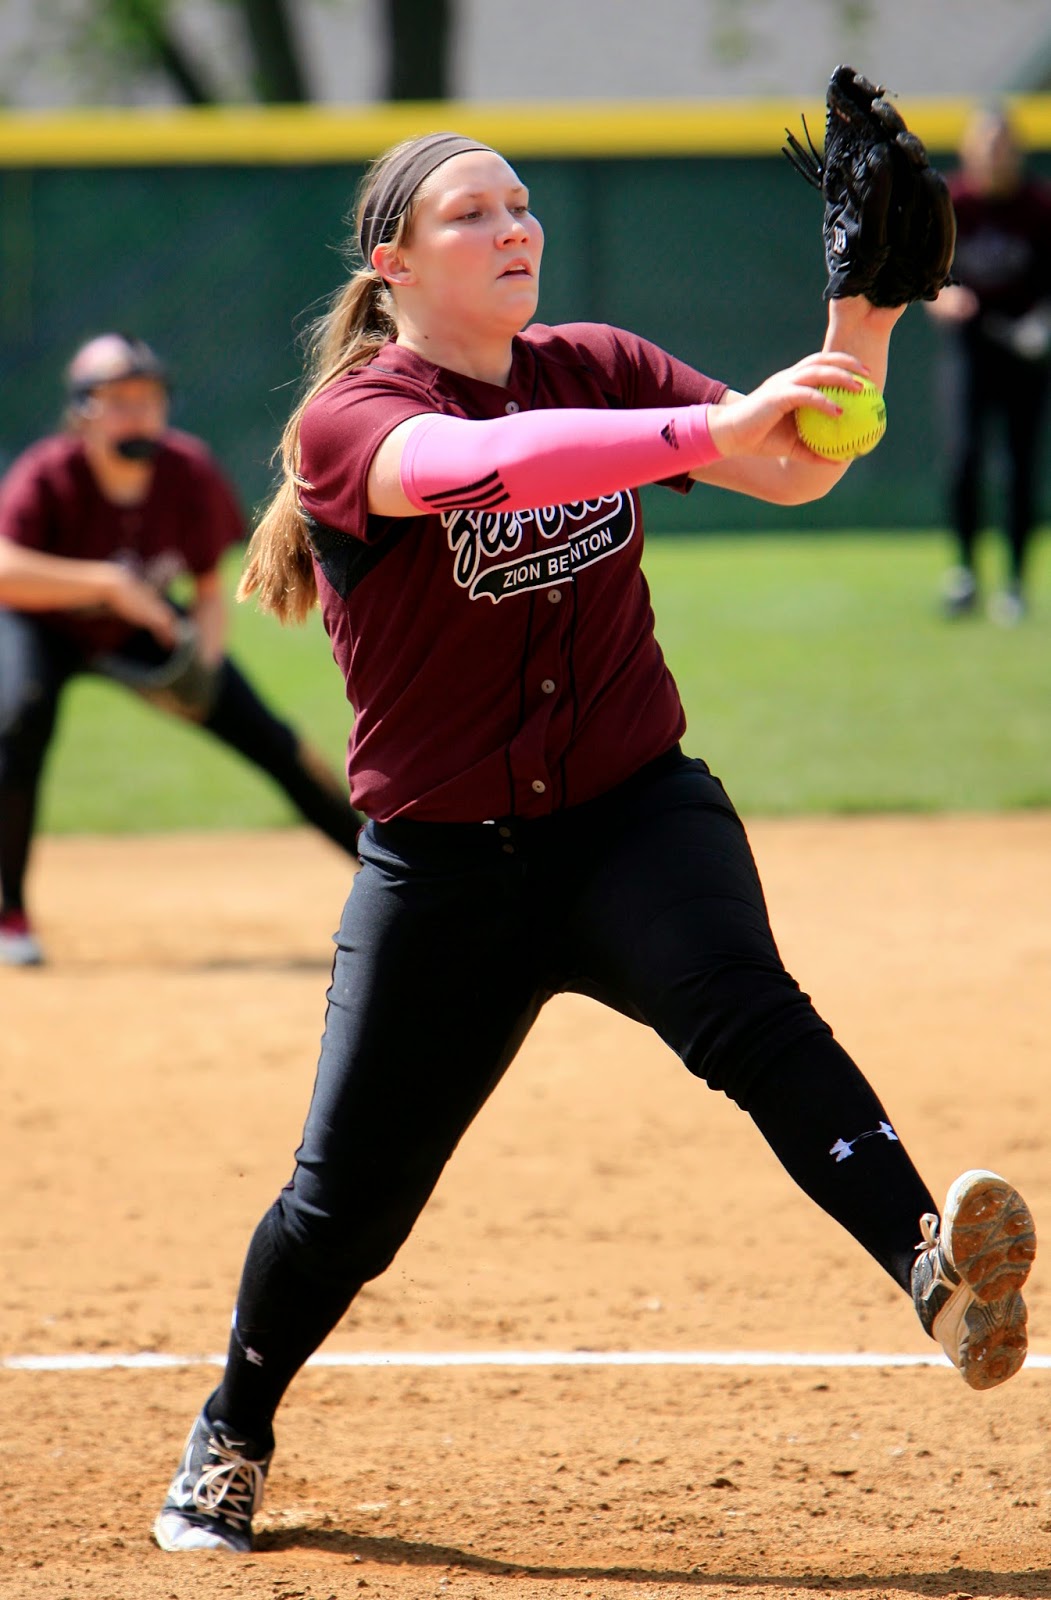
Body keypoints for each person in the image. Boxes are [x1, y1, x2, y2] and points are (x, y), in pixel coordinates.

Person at [152, 134, 1037, 1555]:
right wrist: (707, 428)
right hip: (442, 869)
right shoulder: (353, 421)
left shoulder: (597, 360)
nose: (514, 227)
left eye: (520, 204)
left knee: (751, 1015)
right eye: (470, 213)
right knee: (346, 1203)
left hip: (631, 811)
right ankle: (232, 1427)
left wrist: (858, 321)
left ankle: (928, 1266)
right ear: (390, 264)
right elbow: (490, 468)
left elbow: (795, 470)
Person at [0, 333, 363, 967]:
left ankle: (390, 877)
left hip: (142, 622)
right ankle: (10, 915)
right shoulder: (50, 474)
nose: (138, 413)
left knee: (269, 738)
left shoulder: (186, 469)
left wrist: (207, 661)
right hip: (40, 622)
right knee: (17, 723)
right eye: (118, 400)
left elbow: (206, 584)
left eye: (148, 398)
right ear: (81, 410)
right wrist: (107, 584)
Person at [925, 106, 1051, 624]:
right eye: (987, 145)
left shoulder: (1038, 208)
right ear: (972, 150)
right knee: (963, 459)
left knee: (1021, 468)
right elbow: (929, 277)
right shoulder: (954, 203)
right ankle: (964, 572)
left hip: (1024, 356)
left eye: (1004, 145)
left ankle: (1016, 582)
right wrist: (943, 299)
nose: (996, 155)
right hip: (970, 352)